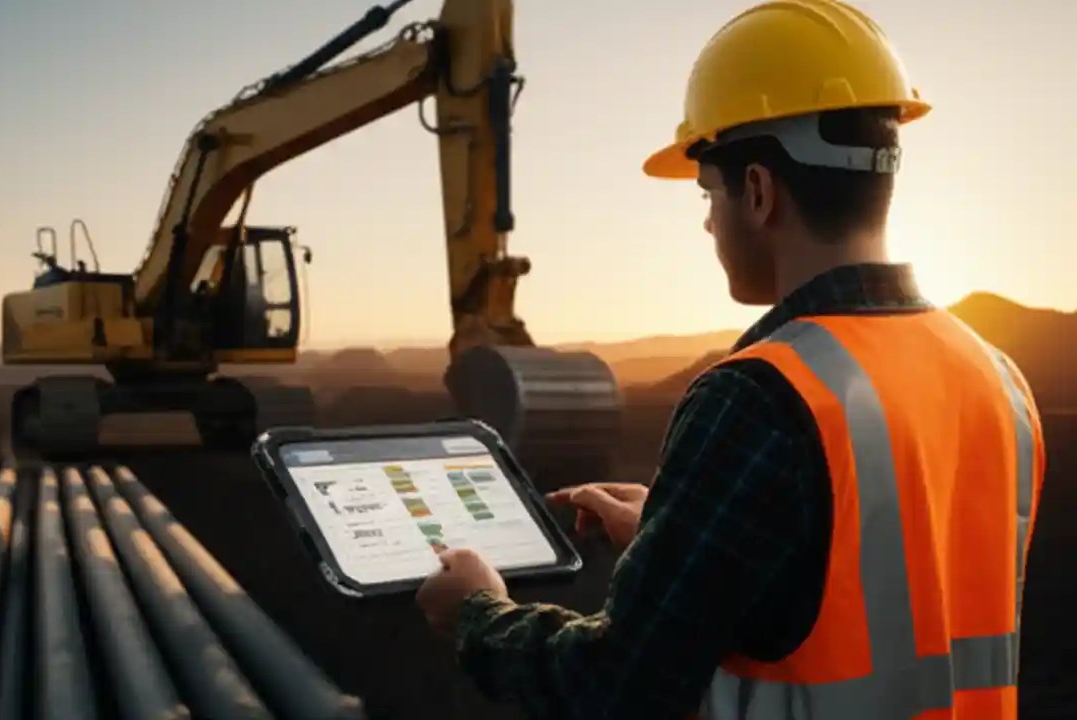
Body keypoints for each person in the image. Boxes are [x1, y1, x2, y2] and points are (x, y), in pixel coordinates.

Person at [415, 0, 1047, 717]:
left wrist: (476, 610)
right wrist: (684, 530)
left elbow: (616, 684)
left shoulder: (760, 396)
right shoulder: (996, 376)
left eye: (707, 191)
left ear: (756, 190)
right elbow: (887, 576)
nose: (708, 219)